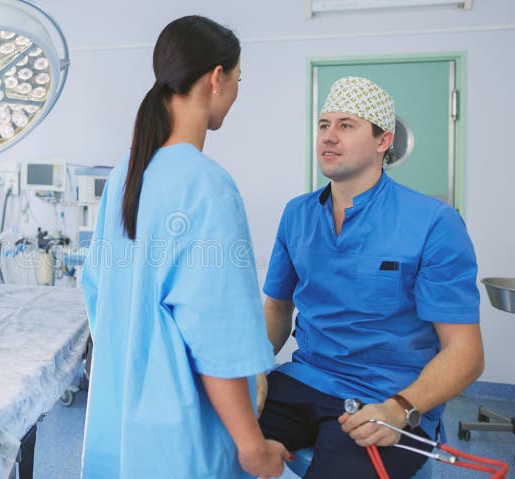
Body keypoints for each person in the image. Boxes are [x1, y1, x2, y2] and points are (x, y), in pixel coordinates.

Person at [80, 15, 291, 479]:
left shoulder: (125, 173)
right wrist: (252, 447)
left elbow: (98, 290)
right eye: (237, 80)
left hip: (121, 418)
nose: (235, 92)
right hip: (180, 435)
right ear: (217, 78)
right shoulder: (207, 187)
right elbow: (217, 336)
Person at [258, 76, 484, 478]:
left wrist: (400, 408)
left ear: (384, 141)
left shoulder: (433, 222)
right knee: (212, 437)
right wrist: (254, 367)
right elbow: (277, 307)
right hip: (305, 379)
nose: (329, 136)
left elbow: (465, 353)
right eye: (324, 125)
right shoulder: (298, 214)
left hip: (385, 395)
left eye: (346, 125)